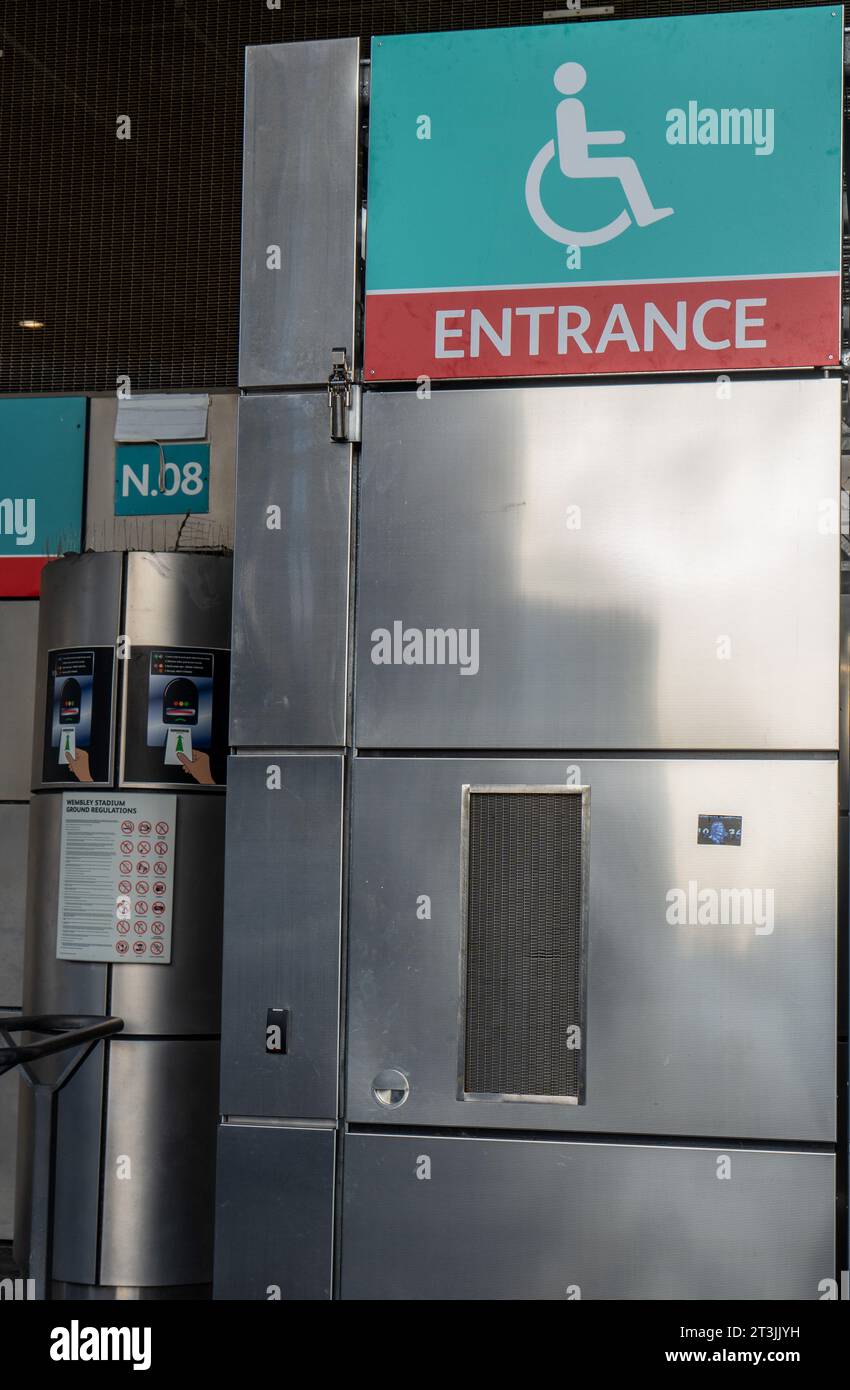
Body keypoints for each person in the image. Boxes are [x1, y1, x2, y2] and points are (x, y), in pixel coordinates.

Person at [554, 61, 673, 228]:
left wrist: (612, 138)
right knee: (625, 165)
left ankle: (645, 213)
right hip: (575, 164)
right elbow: (578, 140)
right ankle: (644, 214)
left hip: (579, 159)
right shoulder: (571, 106)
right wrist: (612, 137)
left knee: (625, 164)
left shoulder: (570, 105)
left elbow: (581, 139)